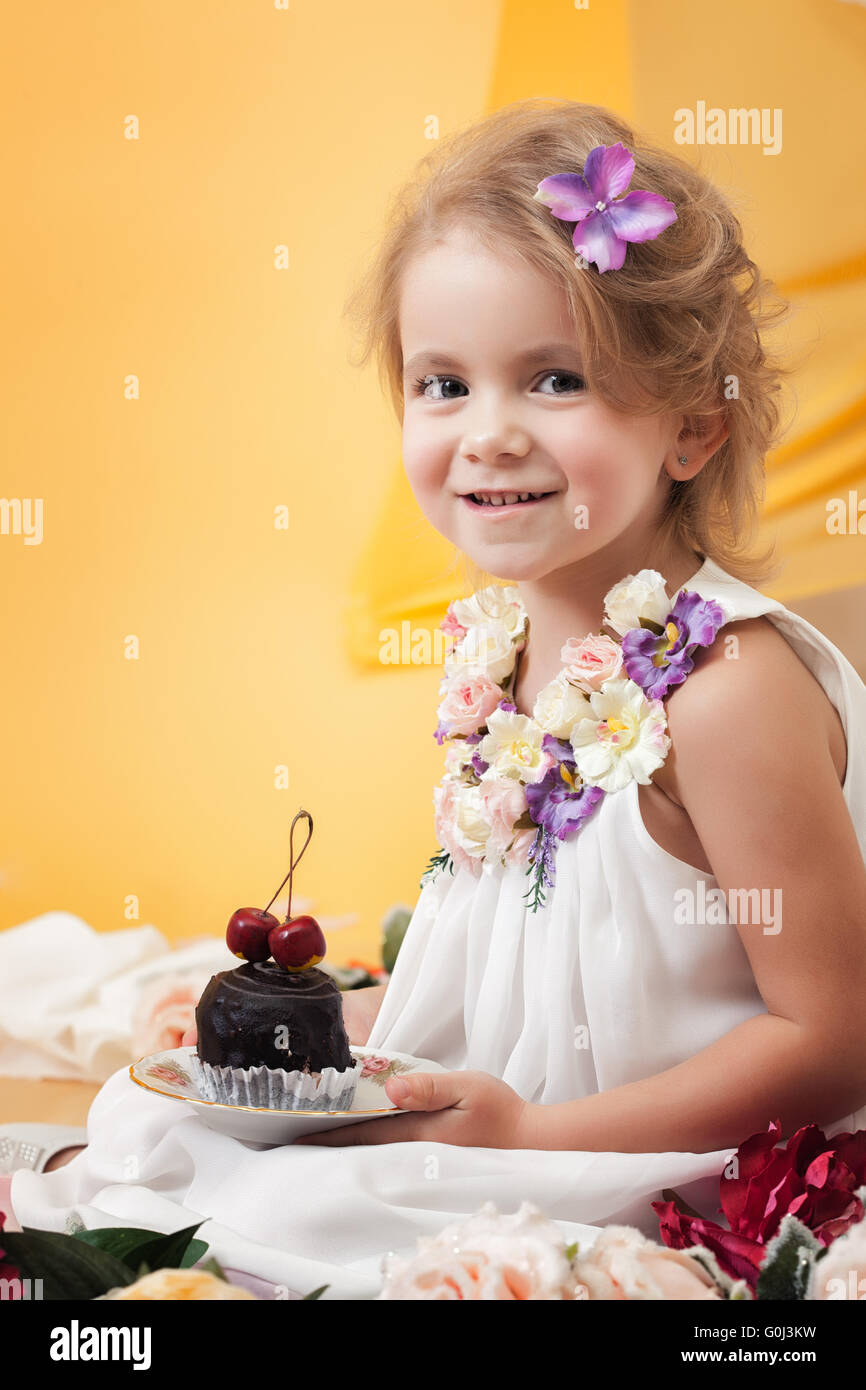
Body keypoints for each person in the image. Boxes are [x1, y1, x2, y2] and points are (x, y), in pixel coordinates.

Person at [6, 98, 866, 1297]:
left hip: (660, 1160)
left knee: (297, 1211)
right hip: (509, 1121)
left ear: (691, 423)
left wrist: (523, 1138)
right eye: (442, 383)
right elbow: (522, 972)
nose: (487, 435)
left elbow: (830, 1041)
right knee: (163, 1126)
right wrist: (328, 1045)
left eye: (554, 379)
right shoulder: (497, 651)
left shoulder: (724, 692)